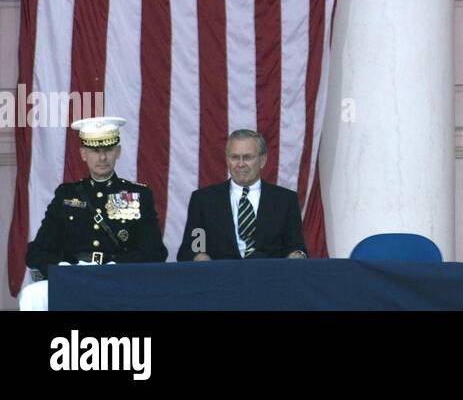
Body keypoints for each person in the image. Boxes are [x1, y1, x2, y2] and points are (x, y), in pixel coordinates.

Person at [22, 116, 167, 301]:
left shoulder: (138, 195)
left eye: (108, 149)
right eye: (94, 150)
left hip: (120, 279)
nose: (102, 157)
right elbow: (37, 251)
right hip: (74, 278)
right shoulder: (66, 195)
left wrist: (118, 266)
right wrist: (63, 266)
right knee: (32, 295)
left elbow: (155, 251)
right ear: (83, 153)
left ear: (118, 152)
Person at [177, 129, 308, 261]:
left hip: (269, 278)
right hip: (220, 278)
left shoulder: (285, 200)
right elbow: (191, 249)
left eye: (247, 157)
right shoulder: (203, 200)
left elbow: (296, 247)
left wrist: (297, 255)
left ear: (262, 160)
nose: (240, 164)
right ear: (227, 160)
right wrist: (199, 256)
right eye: (234, 157)